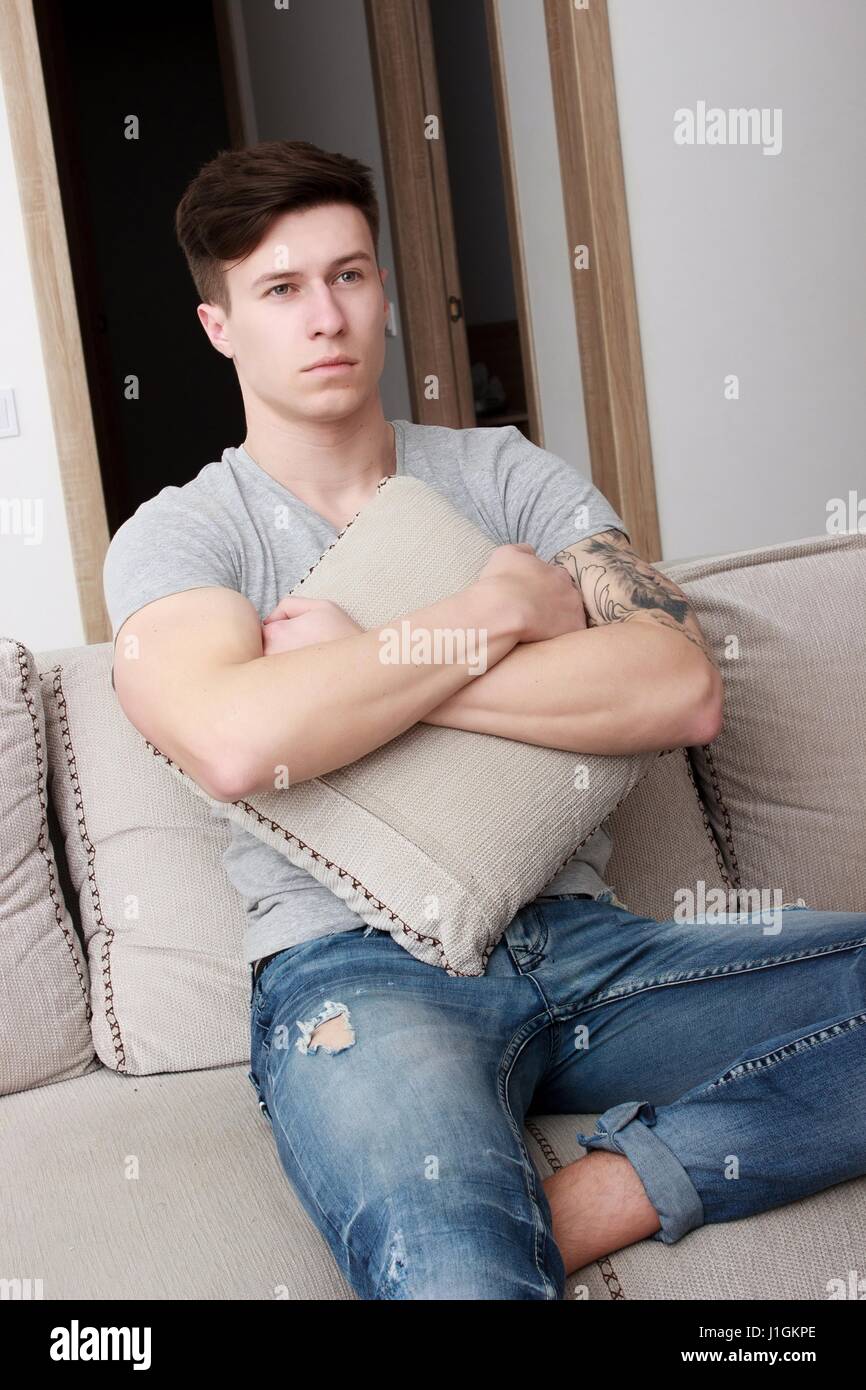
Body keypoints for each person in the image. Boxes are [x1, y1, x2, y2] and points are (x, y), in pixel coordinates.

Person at [104, 139, 866, 1300]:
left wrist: (380, 661)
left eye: (347, 275)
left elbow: (677, 688)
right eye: (280, 288)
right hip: (358, 971)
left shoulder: (506, 476)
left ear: (384, 290)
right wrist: (495, 610)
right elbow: (235, 738)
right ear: (220, 327)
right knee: (459, 1277)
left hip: (587, 946)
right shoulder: (187, 534)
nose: (326, 316)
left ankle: (610, 1190)